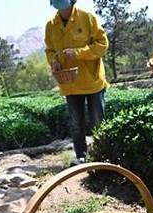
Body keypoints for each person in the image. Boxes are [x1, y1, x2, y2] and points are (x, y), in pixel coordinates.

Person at [45, 0, 109, 166]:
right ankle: (81, 156)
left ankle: (104, 153)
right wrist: (54, 61)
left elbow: (102, 45)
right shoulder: (51, 25)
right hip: (70, 83)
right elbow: (50, 50)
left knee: (97, 120)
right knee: (76, 123)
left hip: (92, 80)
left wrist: (79, 53)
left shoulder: (87, 17)